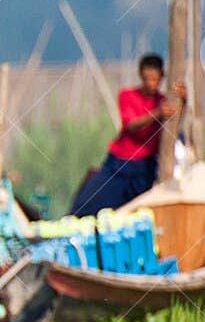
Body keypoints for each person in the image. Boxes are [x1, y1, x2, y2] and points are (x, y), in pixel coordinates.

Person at [69, 53, 185, 216]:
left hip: (146, 167)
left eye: (154, 79)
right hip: (120, 163)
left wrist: (182, 101)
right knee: (88, 205)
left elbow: (176, 122)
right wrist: (157, 113)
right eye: (146, 79)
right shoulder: (128, 95)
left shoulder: (165, 101)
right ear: (140, 75)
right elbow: (131, 125)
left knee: (135, 211)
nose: (150, 83)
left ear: (161, 77)